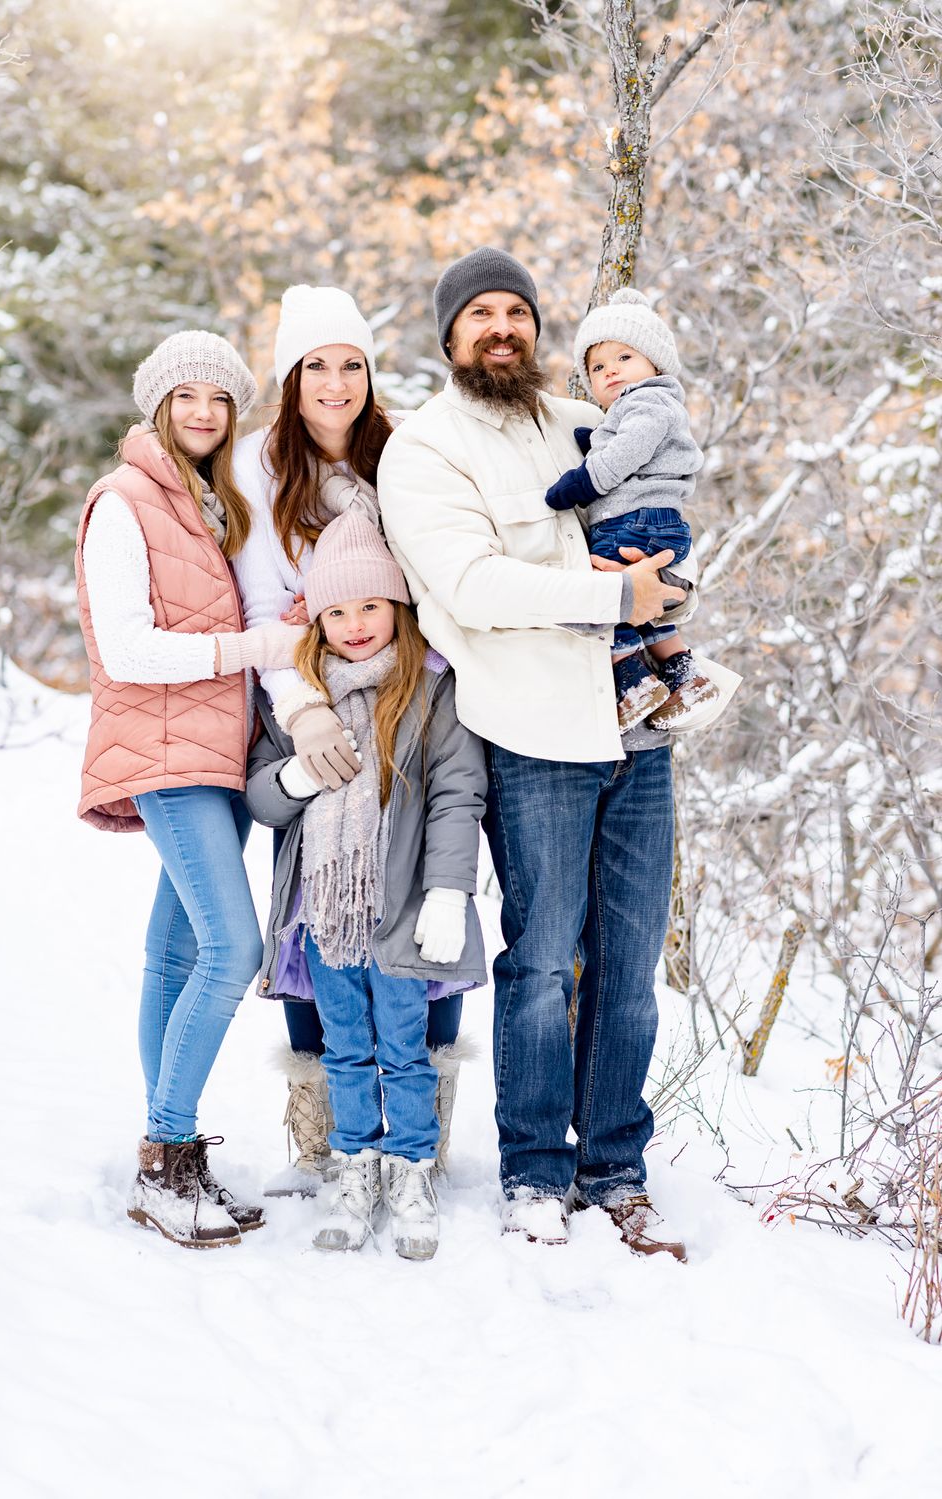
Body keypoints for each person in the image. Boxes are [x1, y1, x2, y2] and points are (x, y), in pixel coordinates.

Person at [378, 247, 736, 1254]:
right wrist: (611, 596)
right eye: (479, 314)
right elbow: (471, 584)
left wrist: (668, 591)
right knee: (540, 961)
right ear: (449, 337)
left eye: (517, 312)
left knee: (627, 965)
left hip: (634, 730)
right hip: (532, 733)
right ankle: (534, 1173)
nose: (501, 327)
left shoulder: (583, 422)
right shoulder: (427, 447)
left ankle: (615, 1166)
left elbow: (663, 505)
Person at [232, 286, 472, 1191]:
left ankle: (420, 1142)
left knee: (419, 903)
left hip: (412, 689)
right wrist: (301, 709)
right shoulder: (261, 466)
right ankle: (329, 1142)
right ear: (291, 378)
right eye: (317, 365)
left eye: (352, 364)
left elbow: (435, 571)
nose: (335, 382)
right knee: (315, 918)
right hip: (308, 692)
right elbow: (263, 604)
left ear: (370, 373)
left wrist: (426, 673)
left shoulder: (402, 454)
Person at [76, 331, 298, 1249]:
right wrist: (254, 650)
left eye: (220, 399)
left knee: (174, 955)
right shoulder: (124, 501)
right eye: (187, 397)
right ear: (158, 405)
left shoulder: (212, 504)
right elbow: (126, 646)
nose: (205, 412)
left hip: (214, 754)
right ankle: (163, 1153)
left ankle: (177, 1157)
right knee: (231, 944)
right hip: (165, 756)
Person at [245, 512, 487, 1259]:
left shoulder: (432, 690)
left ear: (398, 609)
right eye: (338, 611)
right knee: (346, 1049)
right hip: (324, 915)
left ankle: (410, 1169)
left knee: (406, 1050)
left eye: (370, 607)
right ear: (317, 620)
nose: (354, 624)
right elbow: (260, 796)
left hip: (406, 908)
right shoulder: (300, 700)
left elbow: (457, 792)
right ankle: (354, 1169)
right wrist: (288, 774)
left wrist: (449, 891)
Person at [543, 287, 720, 732]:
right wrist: (593, 439)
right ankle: (683, 674)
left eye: (625, 358)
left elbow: (628, 450)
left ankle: (631, 683)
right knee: (646, 606)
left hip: (635, 521)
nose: (610, 371)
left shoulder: (649, 401)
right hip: (651, 522)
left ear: (655, 364)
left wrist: (581, 482)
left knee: (597, 596)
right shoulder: (639, 408)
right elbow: (623, 441)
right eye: (598, 366)